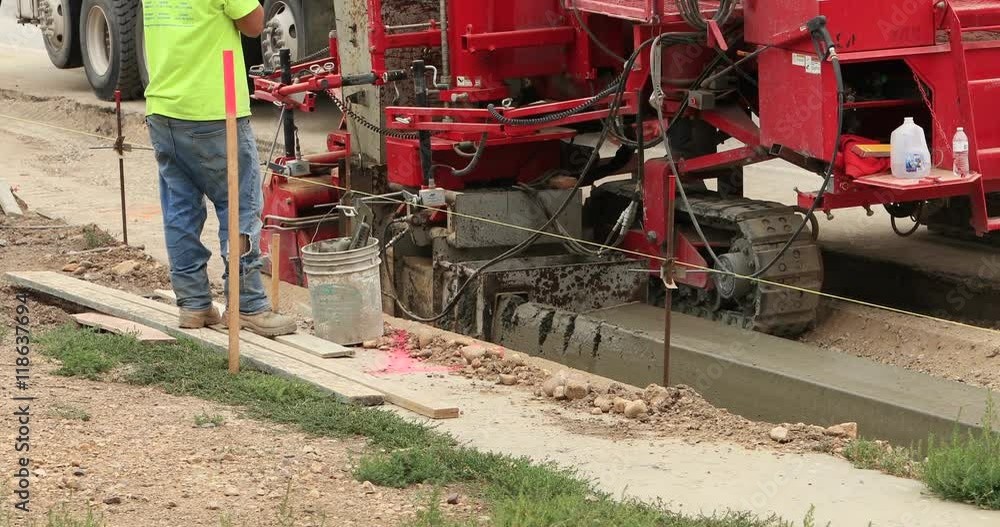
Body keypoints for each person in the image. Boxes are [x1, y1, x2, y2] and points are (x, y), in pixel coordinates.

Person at [143, 0, 296, 336]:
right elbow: (254, 24)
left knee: (180, 209)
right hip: (213, 110)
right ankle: (248, 305)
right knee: (239, 206)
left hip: (163, 108)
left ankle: (193, 304)